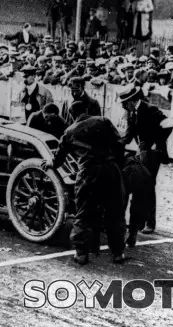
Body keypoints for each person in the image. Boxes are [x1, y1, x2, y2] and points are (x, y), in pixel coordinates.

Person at [42, 102, 126, 265]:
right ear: (87, 110)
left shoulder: (69, 131)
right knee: (115, 212)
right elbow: (119, 144)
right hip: (110, 170)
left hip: (88, 174)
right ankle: (118, 253)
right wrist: (115, 163)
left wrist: (51, 163)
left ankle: (81, 254)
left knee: (83, 213)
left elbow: (59, 158)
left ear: (72, 115)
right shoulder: (103, 121)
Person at [119, 85, 173, 235]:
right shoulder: (131, 113)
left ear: (131, 100)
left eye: (125, 102)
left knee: (148, 186)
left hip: (153, 153)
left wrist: (157, 143)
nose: (123, 105)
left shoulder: (150, 109)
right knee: (139, 184)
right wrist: (116, 143)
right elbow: (128, 135)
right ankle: (138, 222)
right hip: (143, 152)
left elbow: (168, 125)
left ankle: (150, 223)